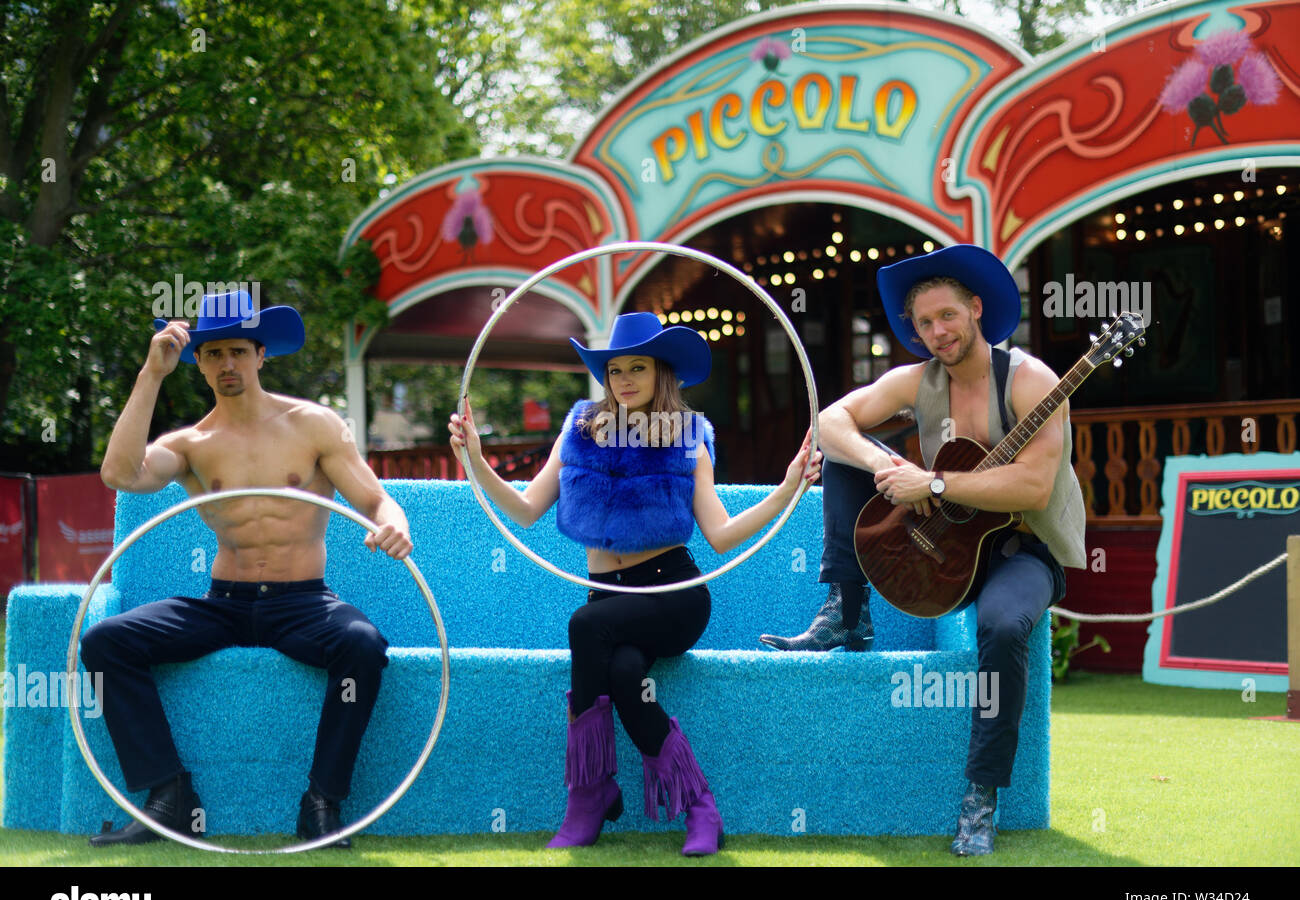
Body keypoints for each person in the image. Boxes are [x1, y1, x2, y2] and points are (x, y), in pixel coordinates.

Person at [449, 311, 820, 856]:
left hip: (673, 596)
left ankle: (588, 794)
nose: (622, 379)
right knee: (623, 674)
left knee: (584, 624)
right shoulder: (579, 429)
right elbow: (526, 509)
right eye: (614, 369)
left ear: (661, 373)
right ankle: (700, 808)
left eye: (637, 368)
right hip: (612, 603)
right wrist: (476, 460)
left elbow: (719, 534)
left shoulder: (689, 436)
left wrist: (787, 488)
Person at [764, 245, 1084, 856]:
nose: (936, 332)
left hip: (1023, 547)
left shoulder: (1032, 380)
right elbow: (831, 420)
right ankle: (846, 614)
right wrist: (887, 464)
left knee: (1002, 626)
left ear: (976, 311)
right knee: (846, 453)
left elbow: (1035, 484)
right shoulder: (917, 380)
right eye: (923, 323)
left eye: (947, 316)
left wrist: (933, 483)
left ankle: (980, 796)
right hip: (946, 544)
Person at [82, 290, 413, 848]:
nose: (226, 364)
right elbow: (119, 473)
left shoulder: (314, 425)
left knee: (362, 644)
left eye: (238, 350)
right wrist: (150, 373)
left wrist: (396, 524)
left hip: (302, 602)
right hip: (225, 604)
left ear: (261, 355)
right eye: (212, 354)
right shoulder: (191, 442)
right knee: (106, 642)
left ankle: (322, 803)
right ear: (199, 363)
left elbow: (376, 500)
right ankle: (169, 796)